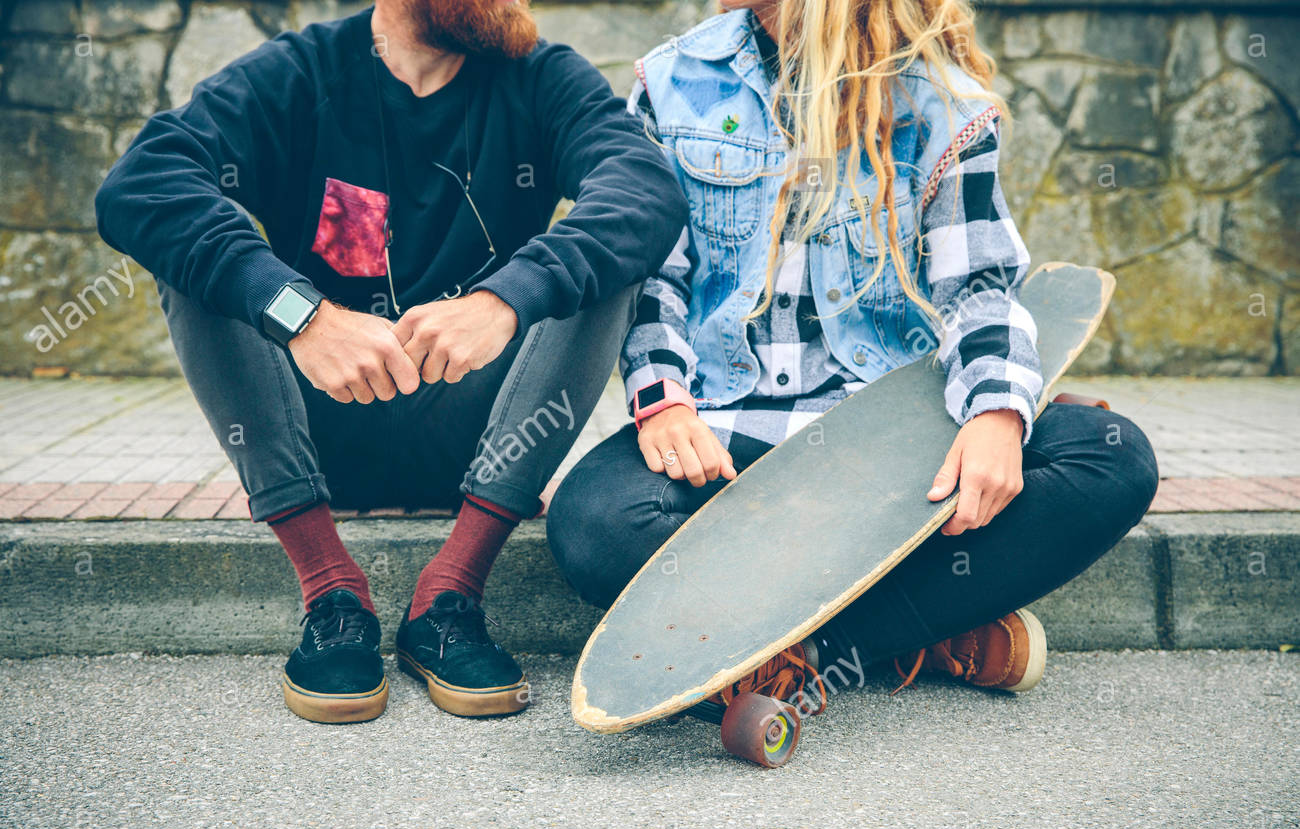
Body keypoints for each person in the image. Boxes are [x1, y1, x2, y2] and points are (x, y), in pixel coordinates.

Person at [547, 0, 1159, 713]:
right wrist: (663, 400)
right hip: (729, 439)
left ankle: (798, 655)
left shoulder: (936, 93)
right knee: (592, 520)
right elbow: (656, 279)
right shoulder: (675, 81)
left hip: (895, 446)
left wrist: (995, 411)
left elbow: (978, 286)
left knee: (1110, 457)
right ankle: (921, 632)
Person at [95, 0, 687, 724]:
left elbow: (646, 191)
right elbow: (140, 183)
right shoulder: (300, 74)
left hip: (481, 433)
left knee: (604, 263)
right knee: (197, 258)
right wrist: (302, 314)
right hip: (318, 430)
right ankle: (329, 588)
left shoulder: (541, 79)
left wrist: (504, 301)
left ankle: (452, 590)